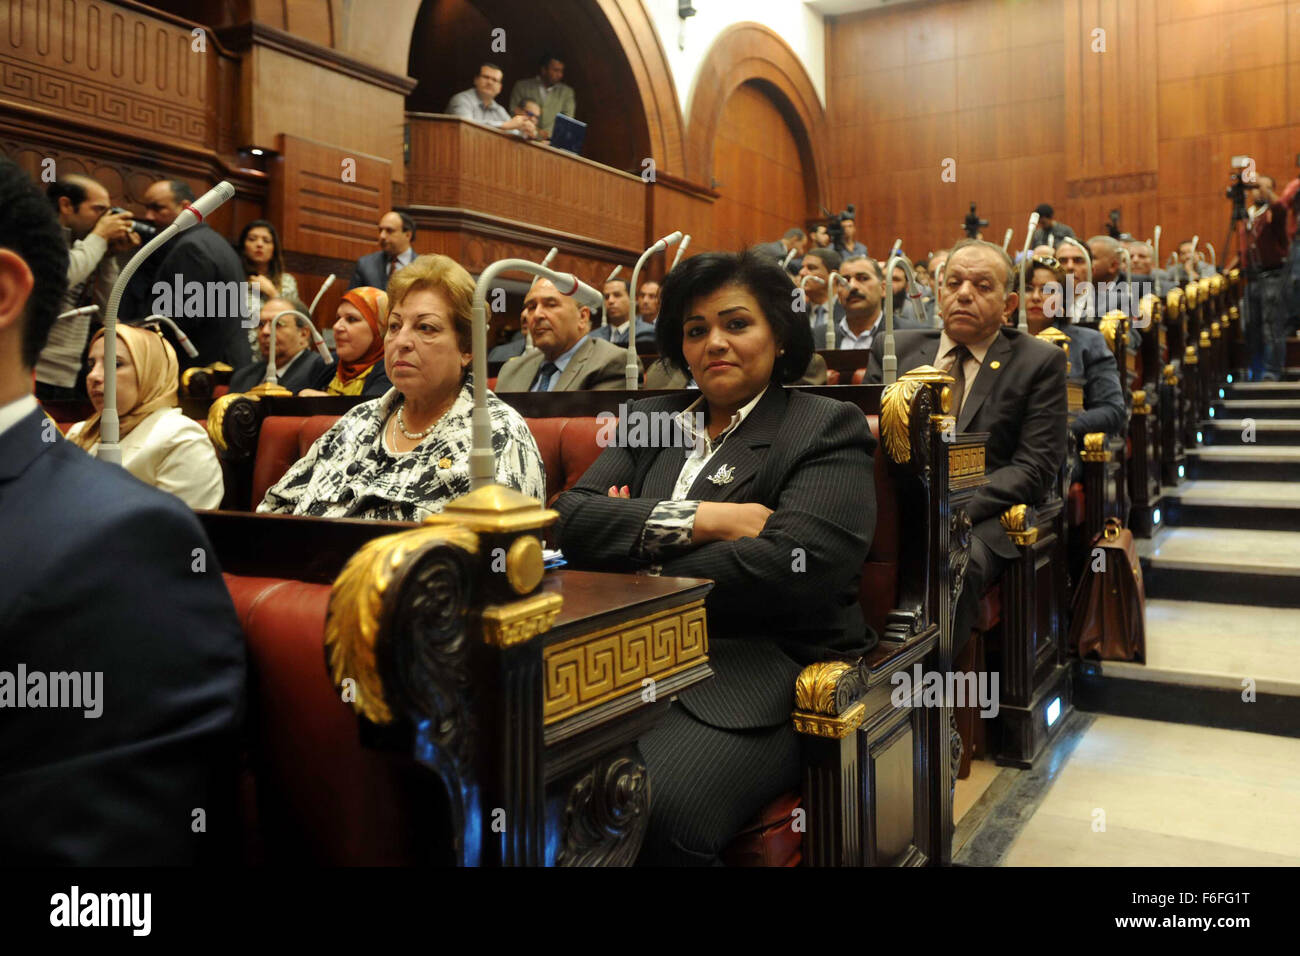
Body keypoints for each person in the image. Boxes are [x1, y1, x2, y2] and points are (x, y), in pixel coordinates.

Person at [553, 249, 877, 866]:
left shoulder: (821, 425)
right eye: (696, 330)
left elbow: (794, 567)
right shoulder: (654, 420)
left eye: (736, 324)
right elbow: (571, 520)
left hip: (750, 671)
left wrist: (629, 558)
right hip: (622, 656)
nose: (714, 344)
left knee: (644, 802)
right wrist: (707, 519)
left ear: (778, 336)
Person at [0, 155, 244, 865]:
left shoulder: (125, 548)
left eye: (120, 363)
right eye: (95, 364)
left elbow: (110, 905)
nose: (100, 376)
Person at [868, 239, 1067, 655]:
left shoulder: (1037, 361)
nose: (963, 294)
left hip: (981, 514)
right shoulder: (897, 349)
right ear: (939, 293)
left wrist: (949, 509)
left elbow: (1034, 467)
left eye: (981, 286)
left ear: (1008, 302)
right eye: (954, 282)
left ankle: (936, 701)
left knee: (950, 563)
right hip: (893, 506)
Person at [260, 254, 544, 518]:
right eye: (395, 326)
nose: (401, 341)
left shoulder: (496, 434)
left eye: (425, 328)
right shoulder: (356, 422)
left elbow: (499, 558)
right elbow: (272, 511)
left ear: (467, 348)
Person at [67, 324, 224, 509]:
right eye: (91, 365)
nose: (94, 376)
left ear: (152, 372)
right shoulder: (80, 433)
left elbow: (176, 532)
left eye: (115, 364)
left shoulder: (181, 439)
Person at [118, 178, 252, 370]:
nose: (148, 216)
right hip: (226, 362)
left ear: (185, 207)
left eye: (157, 208)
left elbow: (178, 321)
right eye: (147, 208)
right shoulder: (216, 242)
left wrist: (128, 328)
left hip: (203, 367)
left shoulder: (190, 248)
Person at [36, 176, 139, 400]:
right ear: (66, 205)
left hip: (69, 373)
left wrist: (109, 256)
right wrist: (100, 236)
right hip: (33, 370)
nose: (105, 219)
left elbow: (106, 311)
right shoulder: (38, 237)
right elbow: (60, 276)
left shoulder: (87, 246)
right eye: (98, 210)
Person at [1021, 255, 1126, 446]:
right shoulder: (999, 341)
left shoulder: (1088, 342)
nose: (1036, 297)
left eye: (1047, 290)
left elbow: (1112, 411)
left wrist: (1059, 428)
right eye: (1028, 289)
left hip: (1063, 447)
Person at [494, 277, 629, 391]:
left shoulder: (612, 364)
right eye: (531, 307)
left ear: (582, 317)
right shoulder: (511, 370)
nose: (537, 315)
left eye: (551, 305)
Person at [1227, 175, 1292, 380]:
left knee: (1271, 326)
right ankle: (1255, 369)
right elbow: (1243, 252)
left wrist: (1267, 190)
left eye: (1262, 187)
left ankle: (1271, 372)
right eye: (1255, 188)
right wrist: (1227, 270)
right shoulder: (1248, 215)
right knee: (1250, 326)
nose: (1257, 191)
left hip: (1272, 276)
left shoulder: (1274, 212)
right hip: (1251, 278)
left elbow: (1281, 208)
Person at [299, 286, 393, 398]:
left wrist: (325, 402)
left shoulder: (391, 369)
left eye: (351, 319)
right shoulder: (327, 362)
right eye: (338, 318)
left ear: (379, 328)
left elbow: (374, 412)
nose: (336, 326)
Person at [229, 295, 327, 393]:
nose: (265, 331)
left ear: (303, 334)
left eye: (278, 324)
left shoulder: (320, 372)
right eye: (261, 324)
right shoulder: (242, 377)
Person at [833, 254, 922, 349]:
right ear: (837, 292)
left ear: (883, 288)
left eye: (863, 278)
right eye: (844, 281)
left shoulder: (911, 335)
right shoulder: (820, 336)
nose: (852, 286)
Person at [237, 219, 298, 354]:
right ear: (244, 246)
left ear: (274, 248)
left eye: (266, 241)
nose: (259, 244)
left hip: (277, 352)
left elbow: (295, 320)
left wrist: (272, 293)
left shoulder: (287, 282)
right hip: (241, 353)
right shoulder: (234, 280)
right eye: (252, 239)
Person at [447, 63, 537, 136]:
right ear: (475, 80)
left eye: (494, 80)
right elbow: (465, 127)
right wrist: (503, 125)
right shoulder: (461, 99)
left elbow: (513, 131)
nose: (490, 82)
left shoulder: (499, 110)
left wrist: (526, 132)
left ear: (500, 88)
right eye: (486, 77)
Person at [508, 53, 576, 139]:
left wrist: (547, 134)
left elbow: (567, 121)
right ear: (544, 70)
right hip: (522, 136)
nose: (560, 75)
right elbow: (514, 112)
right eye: (556, 70)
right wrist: (535, 131)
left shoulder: (567, 93)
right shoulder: (522, 86)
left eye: (561, 71)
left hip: (550, 141)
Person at [349, 211, 417, 290]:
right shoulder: (365, 265)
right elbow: (352, 300)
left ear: (407, 235)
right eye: (380, 230)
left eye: (389, 231)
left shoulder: (424, 267)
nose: (382, 236)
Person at [798, 247, 844, 347]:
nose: (802, 273)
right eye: (802, 267)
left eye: (811, 268)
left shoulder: (848, 312)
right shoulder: (799, 312)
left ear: (834, 276)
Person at [591, 277, 655, 349]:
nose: (610, 301)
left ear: (632, 299)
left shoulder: (646, 332)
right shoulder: (593, 337)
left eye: (617, 295)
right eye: (606, 297)